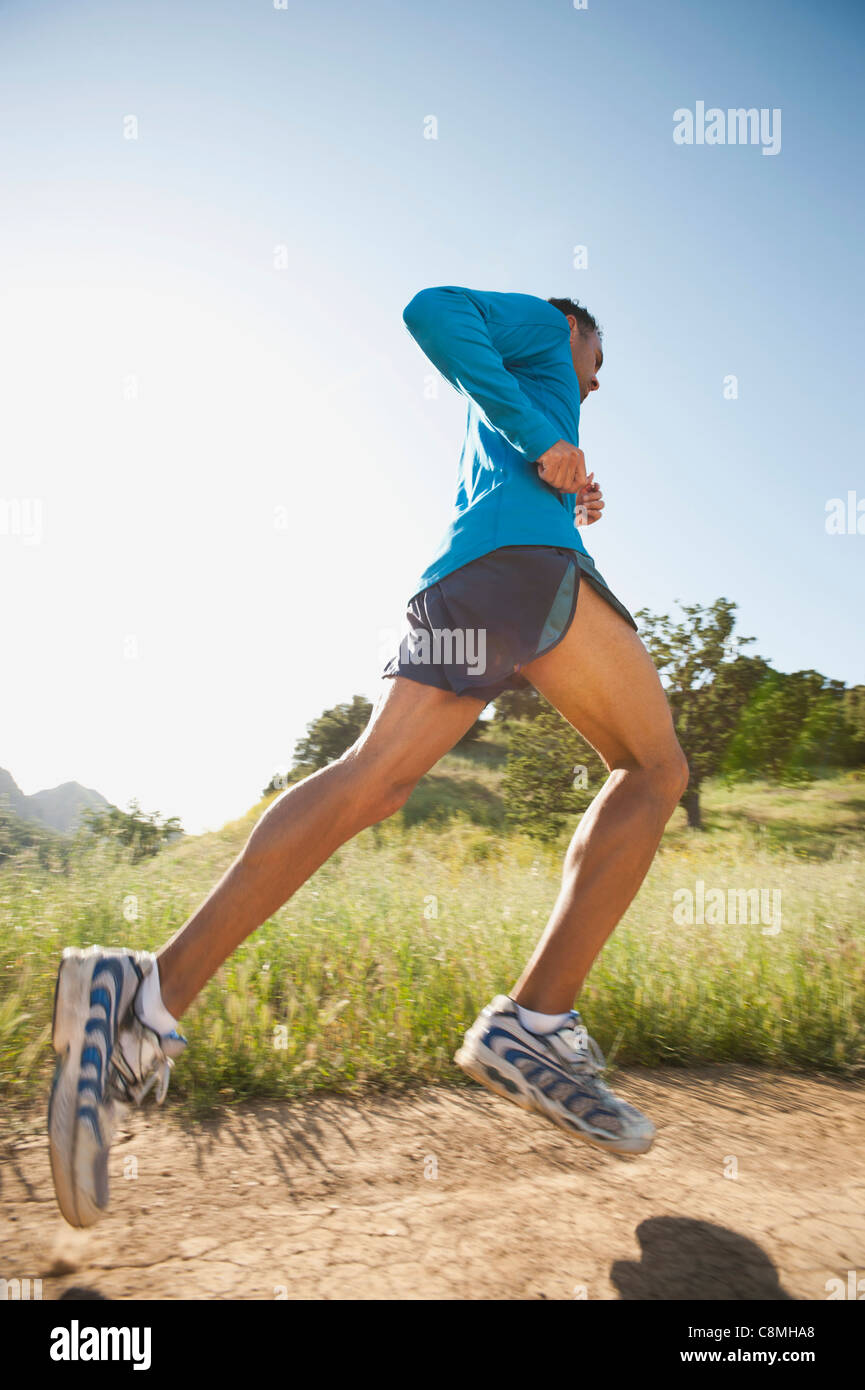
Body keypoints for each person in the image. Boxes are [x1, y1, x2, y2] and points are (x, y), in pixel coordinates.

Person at [48, 286, 688, 1227]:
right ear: (576, 330)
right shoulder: (546, 327)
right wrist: (543, 434)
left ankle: (142, 993)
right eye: (597, 361)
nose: (596, 380)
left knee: (374, 781)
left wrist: (557, 459)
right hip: (522, 567)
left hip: (478, 569)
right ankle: (537, 1025)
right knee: (656, 767)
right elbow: (431, 309)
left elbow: (518, 436)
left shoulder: (533, 399)